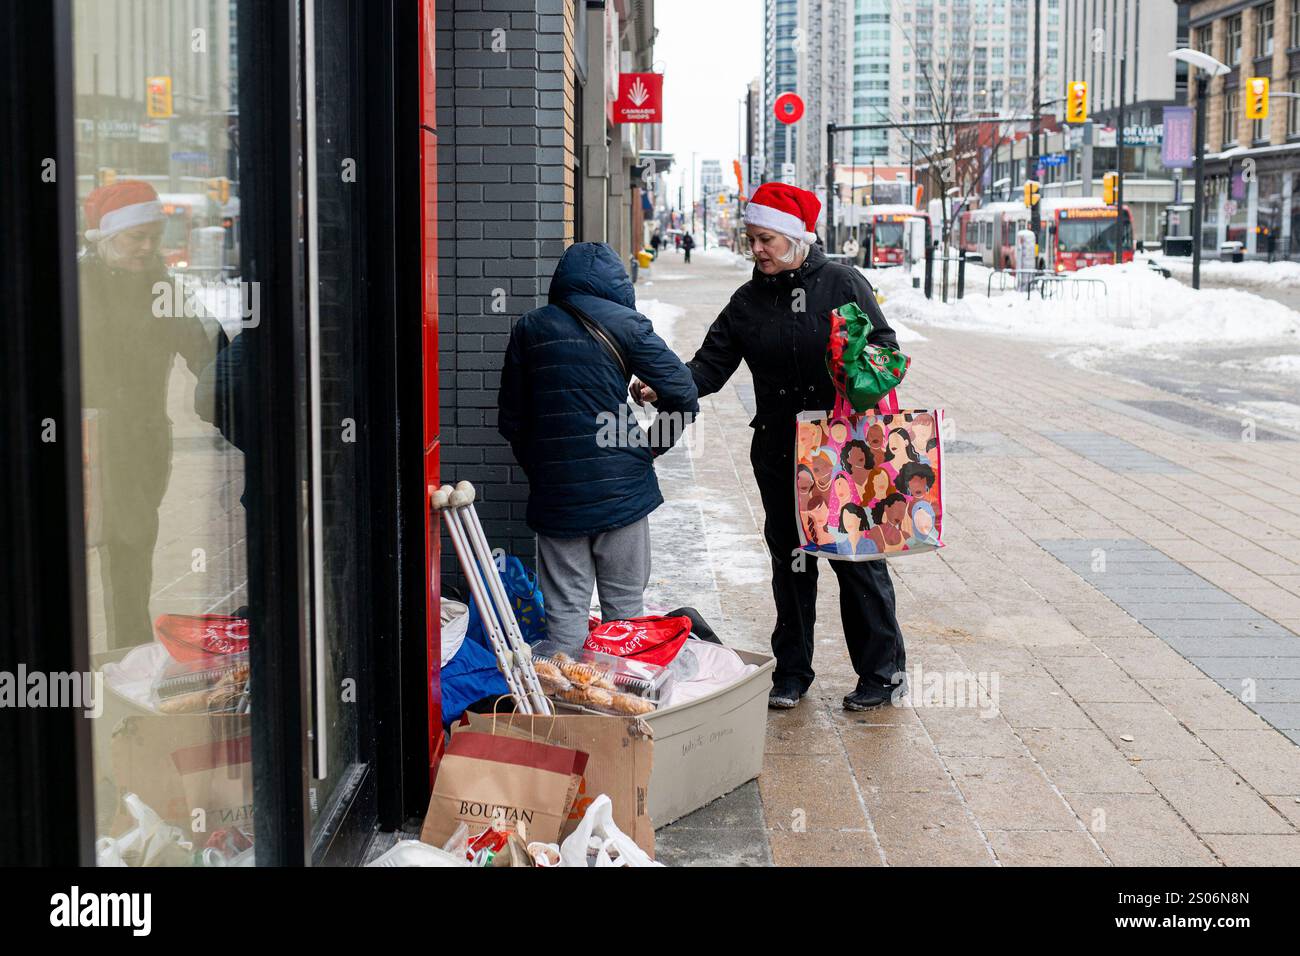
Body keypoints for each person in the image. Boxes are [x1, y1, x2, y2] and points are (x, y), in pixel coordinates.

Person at [633, 181, 907, 711]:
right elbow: (708, 367)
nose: (756, 250)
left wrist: (855, 359)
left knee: (855, 558)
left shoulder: (841, 283)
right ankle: (793, 671)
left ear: (794, 238)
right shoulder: (747, 301)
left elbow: (885, 347)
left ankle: (881, 672)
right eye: (750, 239)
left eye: (766, 240)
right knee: (791, 560)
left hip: (839, 447)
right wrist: (661, 385)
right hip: (780, 450)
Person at [498, 242, 699, 651]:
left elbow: (511, 421)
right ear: (618, 284)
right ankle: (625, 703)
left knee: (565, 610)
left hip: (558, 495)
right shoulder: (629, 325)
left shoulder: (529, 327)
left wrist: (543, 467)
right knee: (625, 608)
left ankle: (571, 704)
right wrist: (648, 448)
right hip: (623, 492)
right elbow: (683, 395)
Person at [79, 181, 228, 649]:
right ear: (105, 238)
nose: (146, 247)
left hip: (138, 444)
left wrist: (237, 401)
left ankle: (129, 654)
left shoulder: (165, 288)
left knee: (131, 553)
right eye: (134, 237)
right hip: (75, 439)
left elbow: (210, 355)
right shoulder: (70, 284)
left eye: (152, 236)